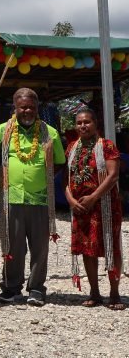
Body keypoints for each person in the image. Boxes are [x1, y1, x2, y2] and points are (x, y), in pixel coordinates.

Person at [0, 87, 65, 306]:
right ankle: (12, 288)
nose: (27, 111)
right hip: (10, 198)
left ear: (37, 107)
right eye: (23, 107)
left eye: (31, 107)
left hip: (40, 198)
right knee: (12, 246)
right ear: (15, 107)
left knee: (40, 247)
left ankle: (36, 289)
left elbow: (59, 162)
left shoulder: (49, 133)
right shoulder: (0, 131)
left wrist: (42, 178)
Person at [64, 108, 124, 309]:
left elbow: (113, 175)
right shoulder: (72, 147)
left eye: (87, 122)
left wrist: (93, 197)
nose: (83, 126)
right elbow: (67, 180)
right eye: (79, 122)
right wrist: (71, 200)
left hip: (105, 207)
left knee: (110, 247)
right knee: (87, 249)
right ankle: (94, 292)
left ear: (95, 123)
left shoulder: (107, 146)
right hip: (81, 208)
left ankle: (115, 293)